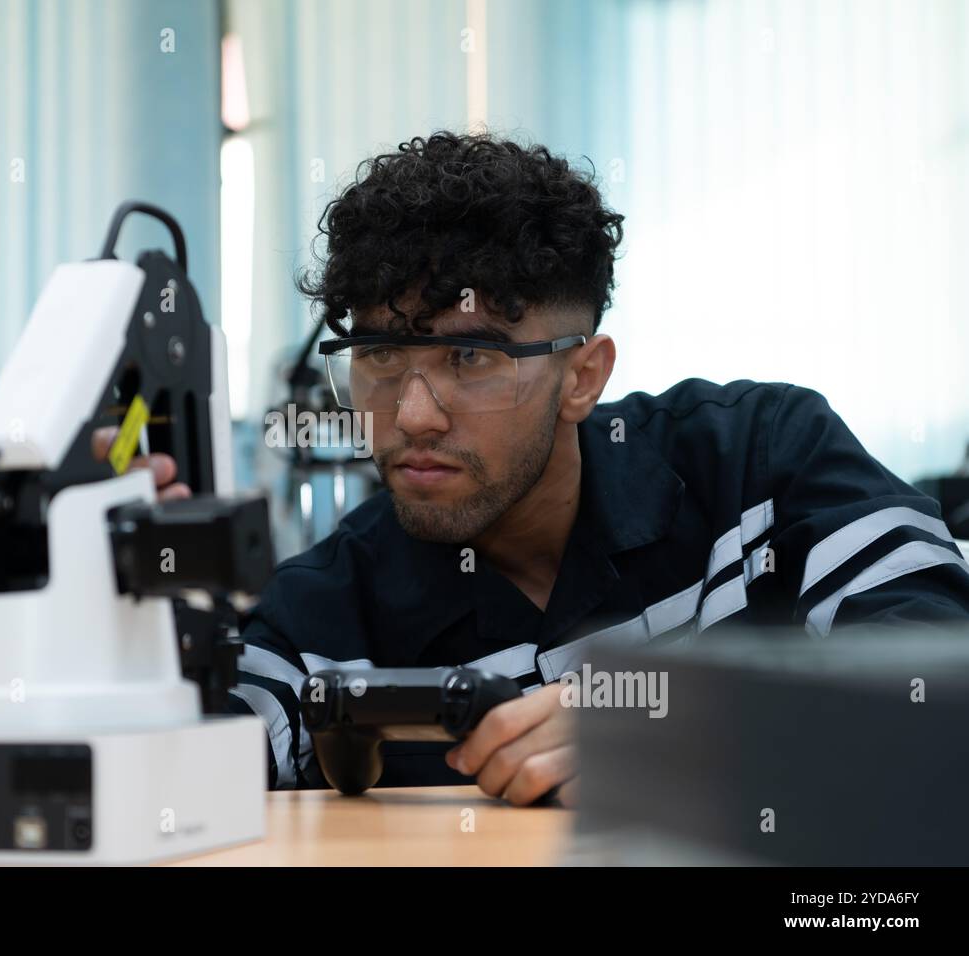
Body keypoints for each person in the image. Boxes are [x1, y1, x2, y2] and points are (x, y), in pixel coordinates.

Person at [96, 131, 969, 804]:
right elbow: (174, 786)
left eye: (470, 360)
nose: (410, 416)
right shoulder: (326, 611)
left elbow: (939, 685)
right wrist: (129, 614)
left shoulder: (762, 460)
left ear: (582, 375)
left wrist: (678, 727)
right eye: (380, 357)